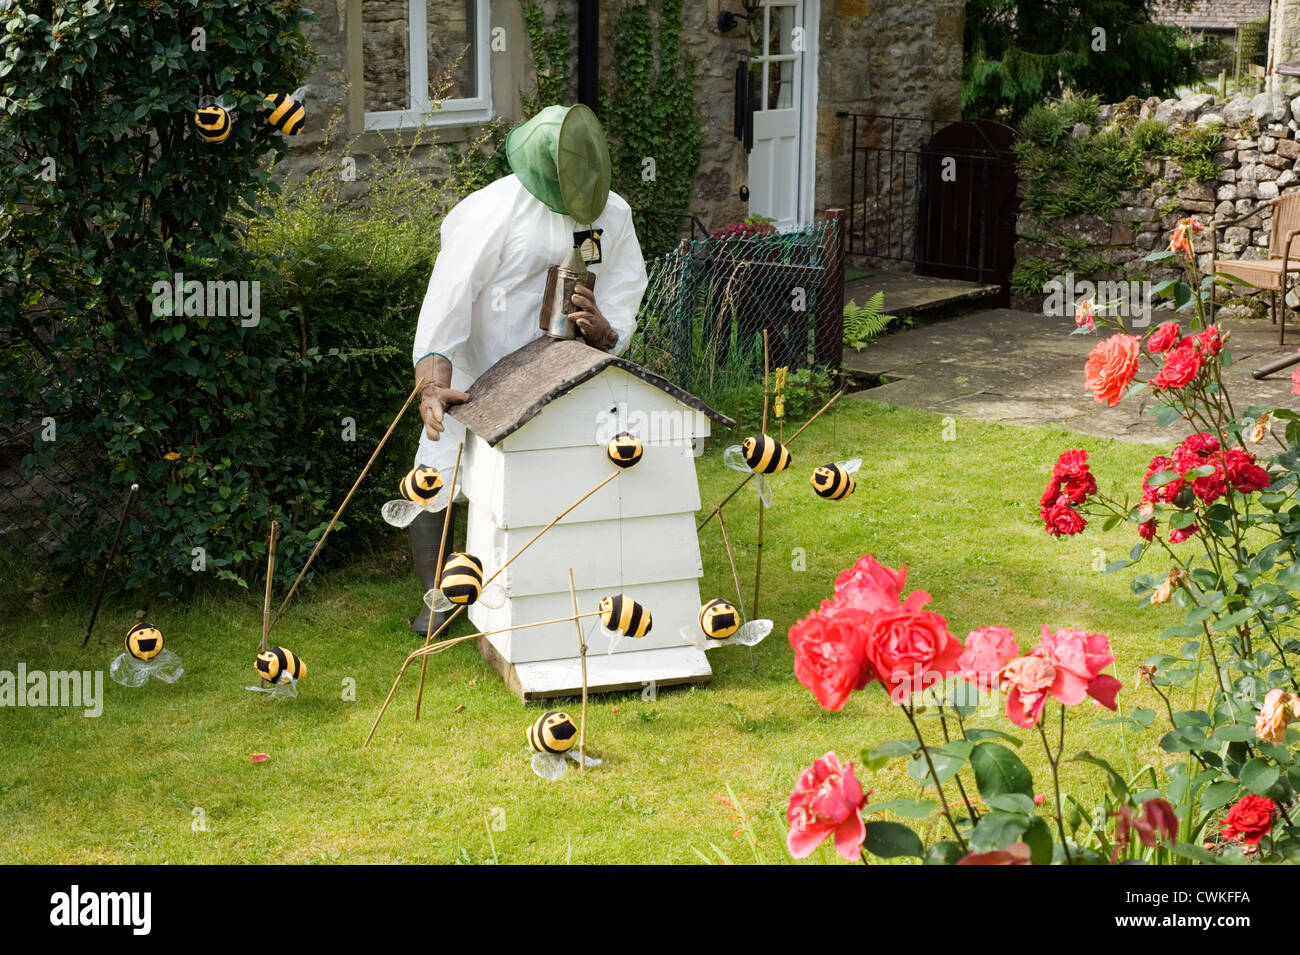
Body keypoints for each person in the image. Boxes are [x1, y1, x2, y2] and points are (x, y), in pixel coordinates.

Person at [407, 103, 649, 635]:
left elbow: (624, 287)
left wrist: (609, 333)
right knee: (437, 475)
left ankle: (558, 586)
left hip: (563, 376)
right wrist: (433, 385)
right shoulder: (491, 211)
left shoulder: (610, 214)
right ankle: (438, 600)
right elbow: (447, 299)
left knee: (558, 472)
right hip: (478, 374)